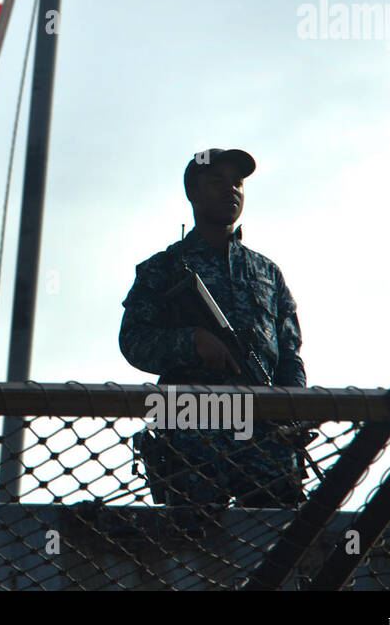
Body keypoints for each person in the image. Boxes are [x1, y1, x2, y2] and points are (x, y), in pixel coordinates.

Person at [119, 148, 307, 508]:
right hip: (192, 424)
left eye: (237, 183)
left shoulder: (268, 273)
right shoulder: (162, 269)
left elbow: (289, 353)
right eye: (216, 181)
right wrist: (192, 342)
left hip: (264, 428)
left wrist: (292, 410)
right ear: (192, 191)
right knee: (192, 545)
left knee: (277, 540)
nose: (230, 190)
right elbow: (134, 340)